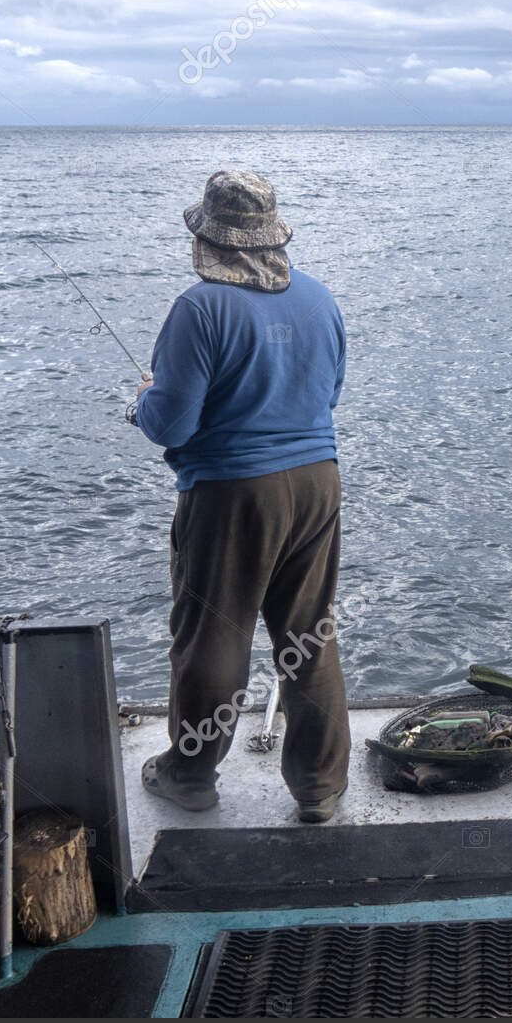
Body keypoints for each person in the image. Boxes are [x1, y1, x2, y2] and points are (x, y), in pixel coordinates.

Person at [132, 170, 349, 824]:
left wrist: (141, 402)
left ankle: (190, 777)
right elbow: (326, 396)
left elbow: (171, 425)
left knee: (213, 641)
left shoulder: (199, 310)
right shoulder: (320, 300)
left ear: (211, 240)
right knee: (308, 637)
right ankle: (320, 789)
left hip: (232, 496)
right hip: (318, 481)